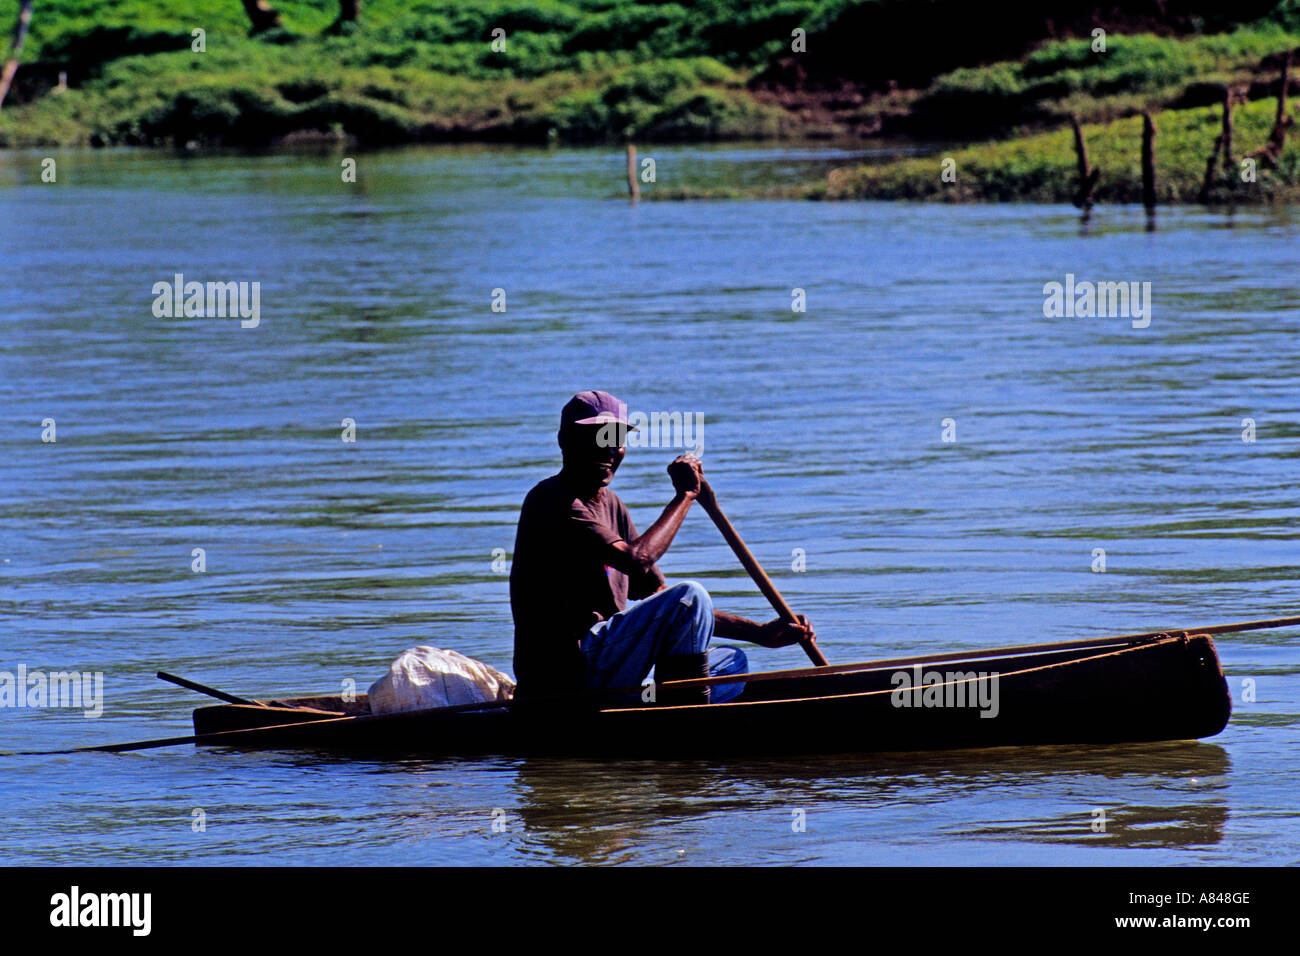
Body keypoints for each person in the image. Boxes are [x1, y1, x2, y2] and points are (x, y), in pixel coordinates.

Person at [509, 390, 815, 707]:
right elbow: (636, 561)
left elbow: (657, 594)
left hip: (606, 664)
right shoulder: (553, 500)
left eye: (616, 438)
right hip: (563, 675)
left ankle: (674, 708)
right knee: (690, 595)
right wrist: (685, 495)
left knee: (731, 663)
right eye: (597, 437)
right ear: (565, 440)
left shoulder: (612, 505)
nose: (609, 449)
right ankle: (684, 719)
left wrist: (760, 633)